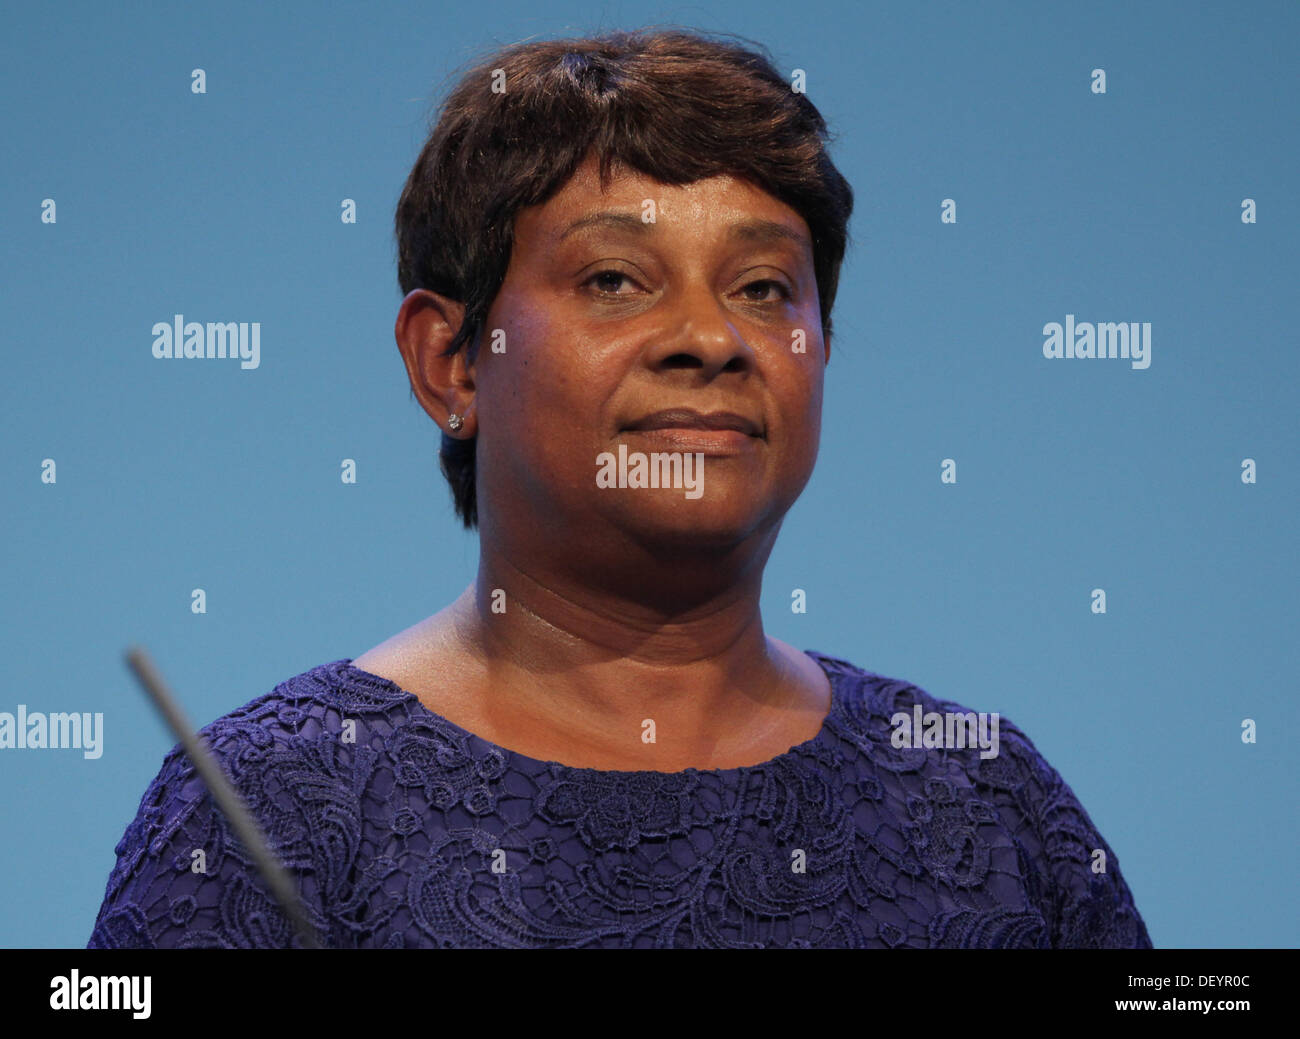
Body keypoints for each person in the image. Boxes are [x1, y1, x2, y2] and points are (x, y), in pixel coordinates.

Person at [88, 26, 1151, 949]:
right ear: (452, 362)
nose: (709, 338)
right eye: (612, 280)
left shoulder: (983, 798)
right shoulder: (263, 808)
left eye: (763, 286)